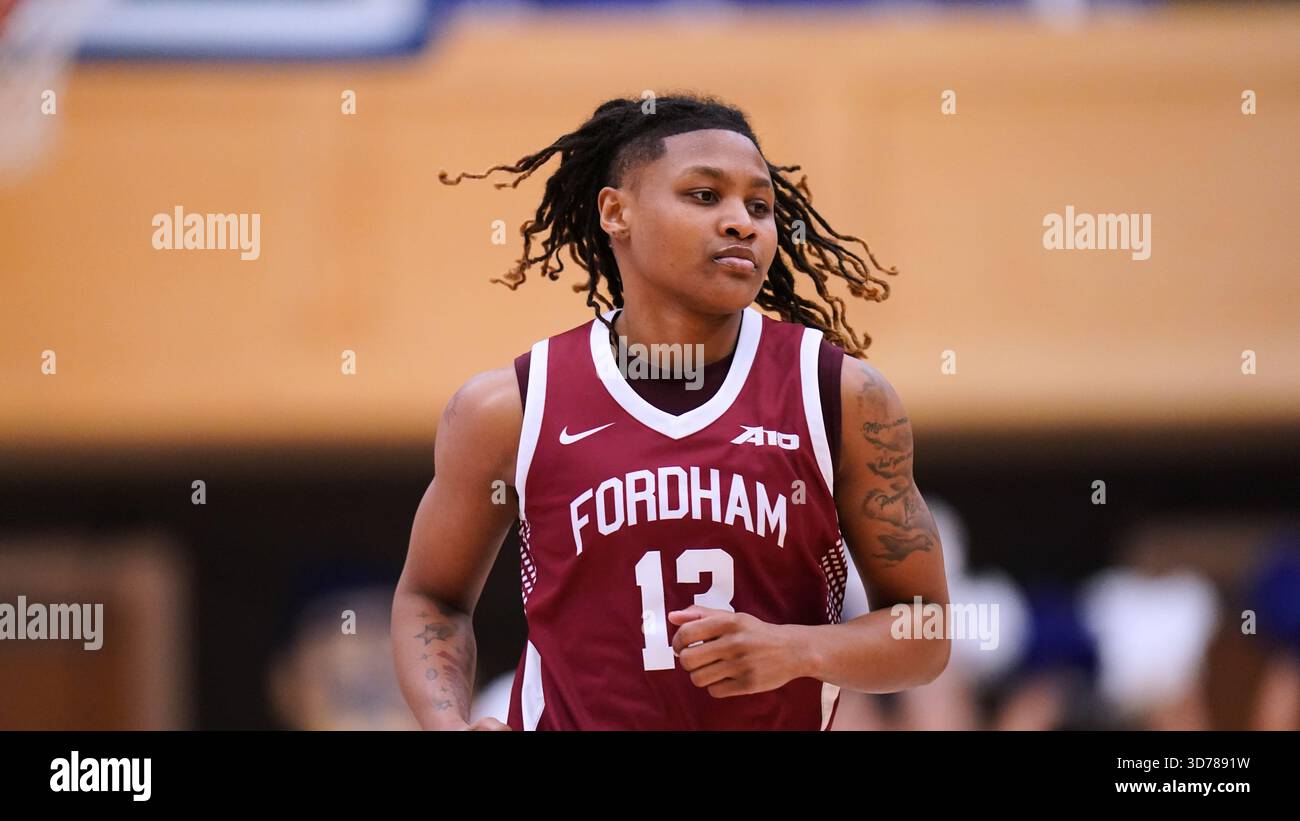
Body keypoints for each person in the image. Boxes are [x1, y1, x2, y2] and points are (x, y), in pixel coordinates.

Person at [392, 93, 950, 730]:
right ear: (616, 211)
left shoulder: (841, 396)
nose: (742, 222)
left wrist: (798, 650)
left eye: (760, 205)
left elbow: (926, 629)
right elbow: (431, 597)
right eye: (705, 196)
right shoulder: (511, 406)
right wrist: (449, 724)